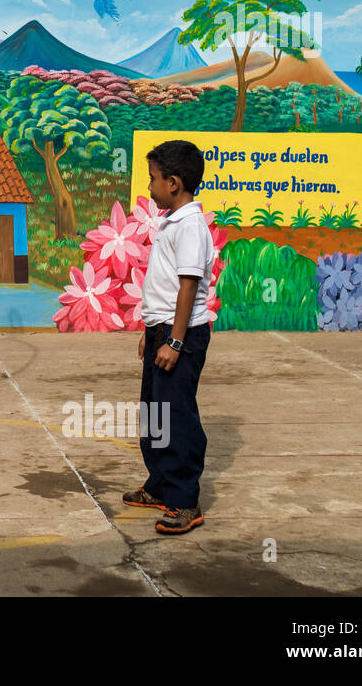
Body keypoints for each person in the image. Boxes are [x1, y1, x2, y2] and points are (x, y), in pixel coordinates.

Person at [123, 139, 214, 535]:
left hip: (184, 334)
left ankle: (184, 502)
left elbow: (188, 287)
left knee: (176, 416)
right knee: (155, 412)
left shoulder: (191, 226)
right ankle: (160, 484)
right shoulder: (171, 220)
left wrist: (174, 341)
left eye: (153, 180)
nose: (149, 187)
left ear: (174, 182)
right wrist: (153, 332)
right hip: (162, 329)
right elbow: (164, 288)